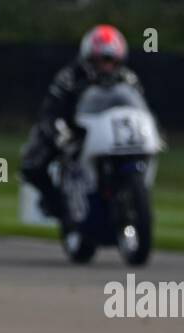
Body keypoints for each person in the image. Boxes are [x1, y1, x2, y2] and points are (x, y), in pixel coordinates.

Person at [20, 25, 142, 223]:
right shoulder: (69, 78)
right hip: (75, 129)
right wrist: (62, 135)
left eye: (111, 60)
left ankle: (126, 198)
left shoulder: (127, 79)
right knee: (33, 162)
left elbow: (140, 109)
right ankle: (54, 202)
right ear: (89, 58)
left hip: (113, 133)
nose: (106, 66)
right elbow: (51, 112)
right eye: (102, 60)